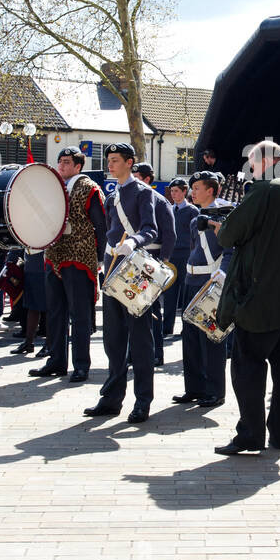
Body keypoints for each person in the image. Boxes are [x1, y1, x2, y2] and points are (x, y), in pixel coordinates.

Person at [213, 142, 280, 454]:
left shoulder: (266, 189)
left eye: (252, 163)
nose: (251, 169)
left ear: (267, 162)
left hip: (261, 299)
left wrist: (223, 224)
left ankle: (250, 434)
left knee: (248, 368)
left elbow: (228, 235)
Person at [86, 143, 162, 423]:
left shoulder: (143, 193)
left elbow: (151, 229)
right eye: (109, 160)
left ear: (130, 162)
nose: (110, 164)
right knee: (113, 339)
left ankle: (143, 401)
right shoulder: (112, 195)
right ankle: (111, 398)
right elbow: (107, 232)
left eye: (116, 160)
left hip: (134, 272)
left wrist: (133, 241)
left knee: (141, 340)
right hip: (112, 269)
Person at [37, 146, 105, 380]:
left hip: (79, 257)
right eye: (60, 161)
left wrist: (100, 257)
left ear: (78, 166)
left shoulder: (88, 188)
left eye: (67, 162)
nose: (62, 166)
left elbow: (100, 224)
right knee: (55, 312)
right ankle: (56, 360)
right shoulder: (53, 186)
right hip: (54, 254)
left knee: (80, 314)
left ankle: (81, 364)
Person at [177, 170, 234, 405]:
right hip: (191, 280)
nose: (193, 192)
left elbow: (233, 248)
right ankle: (195, 388)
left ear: (210, 190)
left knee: (211, 338)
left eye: (197, 188)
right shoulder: (194, 218)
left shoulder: (225, 215)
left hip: (211, 282)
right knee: (189, 337)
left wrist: (223, 273)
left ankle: (215, 391)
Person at [132, 161, 176, 366]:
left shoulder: (160, 201)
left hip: (152, 258)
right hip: (132, 259)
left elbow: (169, 234)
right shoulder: (129, 198)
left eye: (137, 176)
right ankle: (134, 352)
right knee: (133, 307)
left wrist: (163, 260)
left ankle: (156, 352)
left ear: (147, 179)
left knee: (152, 310)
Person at [162, 177, 198, 338]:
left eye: (177, 191)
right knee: (169, 292)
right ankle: (166, 327)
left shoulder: (192, 211)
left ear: (185, 191)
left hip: (185, 254)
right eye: (172, 191)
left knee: (185, 294)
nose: (174, 194)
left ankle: (186, 327)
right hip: (171, 255)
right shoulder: (168, 209)